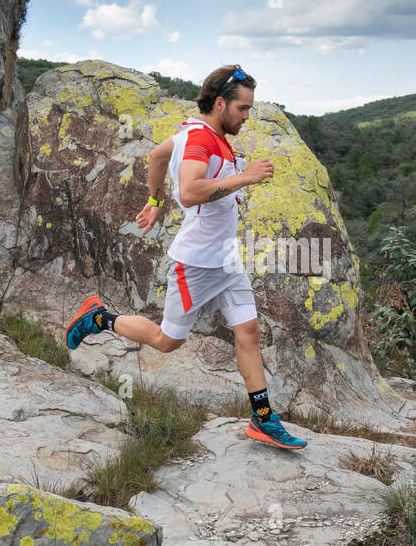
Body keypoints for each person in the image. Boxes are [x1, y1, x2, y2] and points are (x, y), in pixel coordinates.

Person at [64, 64, 308, 450]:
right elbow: (191, 191)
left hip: (226, 261)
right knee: (167, 340)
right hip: (196, 263)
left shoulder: (200, 135)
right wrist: (245, 177)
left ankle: (262, 419)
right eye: (242, 109)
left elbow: (157, 156)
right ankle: (98, 317)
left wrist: (155, 198)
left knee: (248, 332)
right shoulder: (201, 141)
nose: (246, 116)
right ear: (220, 102)